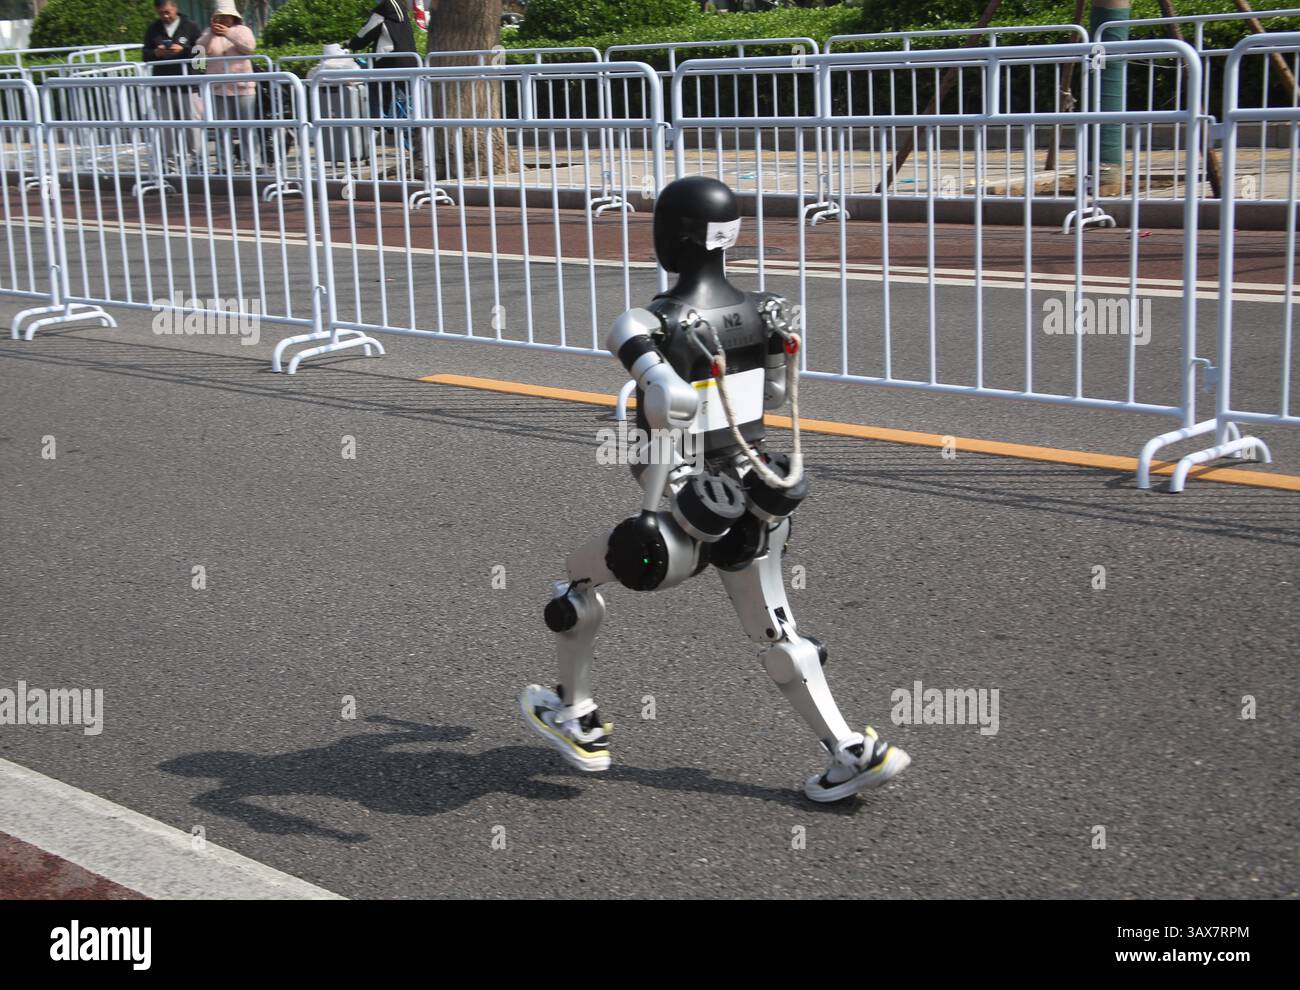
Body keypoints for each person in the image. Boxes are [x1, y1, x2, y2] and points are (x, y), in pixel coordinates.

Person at [521, 176, 912, 803]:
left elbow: (640, 359)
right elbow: (779, 393)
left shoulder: (652, 319)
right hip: (757, 492)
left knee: (575, 584)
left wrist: (661, 385)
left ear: (671, 238)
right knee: (778, 633)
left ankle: (575, 714)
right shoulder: (767, 307)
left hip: (683, 510)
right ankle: (850, 749)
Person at [196, 0, 259, 172]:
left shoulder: (243, 30)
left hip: (243, 87)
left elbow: (249, 48)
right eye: (219, 16)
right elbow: (197, 54)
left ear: (234, 17)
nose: (223, 20)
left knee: (247, 127)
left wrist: (229, 33)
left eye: (227, 16)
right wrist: (210, 34)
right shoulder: (207, 33)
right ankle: (224, 164)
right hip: (218, 89)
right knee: (221, 129)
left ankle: (252, 162)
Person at [142, 0, 202, 166]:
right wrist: (156, 52)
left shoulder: (191, 26)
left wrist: (184, 50)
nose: (165, 16)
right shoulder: (153, 29)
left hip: (188, 84)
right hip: (162, 85)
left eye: (168, 12)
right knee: (165, 124)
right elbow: (145, 55)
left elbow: (201, 56)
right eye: (161, 13)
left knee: (192, 124)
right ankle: (170, 160)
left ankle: (196, 159)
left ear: (175, 8)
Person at [345, 0, 417, 121]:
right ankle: (406, 123)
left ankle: (377, 123)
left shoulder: (383, 11)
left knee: (374, 84)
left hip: (390, 61)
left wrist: (351, 44)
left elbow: (365, 34)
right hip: (411, 60)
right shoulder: (403, 11)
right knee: (411, 95)